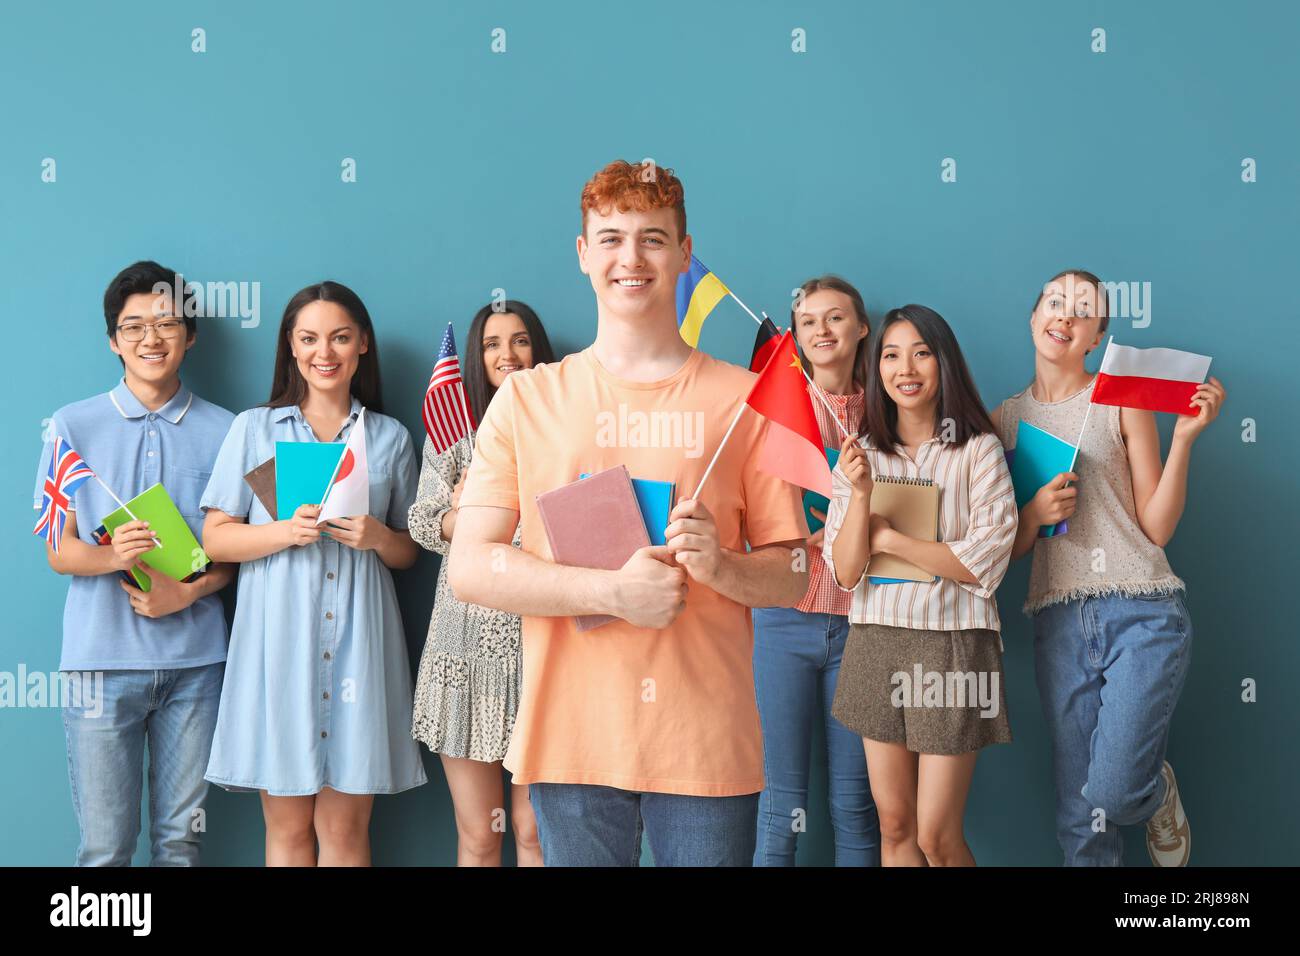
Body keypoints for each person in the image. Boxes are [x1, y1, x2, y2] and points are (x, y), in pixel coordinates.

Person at [447, 159, 809, 866]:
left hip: (706, 741)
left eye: (652, 238)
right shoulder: (527, 400)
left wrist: (724, 566)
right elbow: (471, 565)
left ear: (682, 253)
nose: (630, 257)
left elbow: (794, 573)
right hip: (570, 741)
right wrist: (610, 592)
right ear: (584, 253)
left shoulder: (745, 400)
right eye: (610, 238)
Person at [993, 270, 1225, 867]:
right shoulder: (1003, 422)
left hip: (1143, 613)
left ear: (1097, 336)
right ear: (1033, 315)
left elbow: (1158, 527)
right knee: (1081, 821)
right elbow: (1003, 550)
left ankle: (1155, 790)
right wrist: (1034, 514)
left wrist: (1185, 441)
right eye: (1054, 302)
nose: (1064, 317)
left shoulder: (1119, 400)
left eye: (1083, 311)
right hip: (1057, 624)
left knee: (1117, 793)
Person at [199, 280, 426, 866]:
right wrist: (283, 531)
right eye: (308, 338)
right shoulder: (256, 428)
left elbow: (411, 551)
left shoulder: (390, 437)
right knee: (289, 828)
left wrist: (377, 536)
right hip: (280, 644)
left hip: (361, 643)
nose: (323, 352)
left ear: (362, 346)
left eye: (339, 337)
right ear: (291, 348)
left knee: (347, 831)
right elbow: (215, 537)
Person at [35, 260, 236, 865]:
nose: (151, 338)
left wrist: (190, 593)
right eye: (134, 326)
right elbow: (57, 552)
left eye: (167, 323)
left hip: (197, 667)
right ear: (113, 340)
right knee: (105, 848)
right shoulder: (71, 425)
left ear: (190, 336)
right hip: (100, 666)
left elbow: (239, 552)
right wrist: (107, 555)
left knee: (182, 842)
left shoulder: (229, 430)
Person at [824, 304, 1018, 867]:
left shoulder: (977, 450)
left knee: (936, 835)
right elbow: (844, 571)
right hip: (876, 641)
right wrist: (860, 498)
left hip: (953, 645)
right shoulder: (860, 456)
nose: (904, 367)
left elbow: (985, 561)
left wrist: (895, 541)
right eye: (890, 354)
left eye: (921, 352)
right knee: (895, 826)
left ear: (944, 363)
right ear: (876, 367)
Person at [408, 300, 556, 866]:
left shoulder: (560, 429)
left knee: (533, 830)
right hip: (462, 650)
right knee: (478, 835)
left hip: (541, 647)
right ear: (477, 356)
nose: (507, 354)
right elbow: (422, 521)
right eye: (493, 344)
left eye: (520, 341)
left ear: (537, 350)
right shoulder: (455, 432)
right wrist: (465, 511)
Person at [752, 276, 880, 866]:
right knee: (780, 803)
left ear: (861, 330)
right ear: (796, 335)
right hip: (784, 619)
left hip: (864, 626)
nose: (822, 331)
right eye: (808, 321)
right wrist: (807, 535)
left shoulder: (891, 407)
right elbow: (748, 514)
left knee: (857, 804)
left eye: (835, 318)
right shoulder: (776, 407)